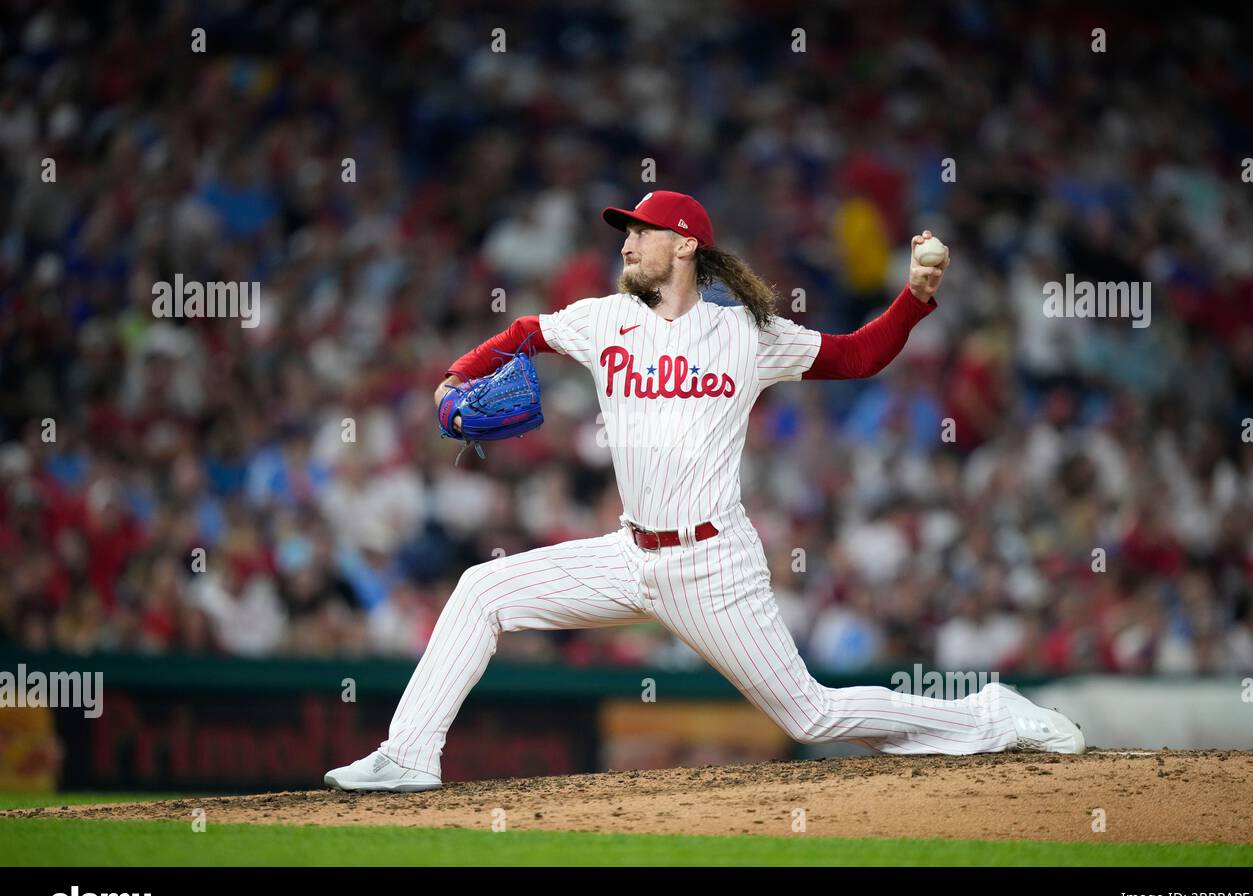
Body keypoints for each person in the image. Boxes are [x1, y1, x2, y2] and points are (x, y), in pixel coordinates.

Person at [325, 190, 1084, 792]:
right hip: (628, 555)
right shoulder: (605, 320)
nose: (626, 242)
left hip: (713, 566)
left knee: (812, 715)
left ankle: (987, 715)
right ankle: (410, 754)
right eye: (624, 231)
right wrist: (457, 377)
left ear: (685, 243)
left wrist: (915, 298)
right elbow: (524, 331)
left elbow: (855, 357)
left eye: (642, 231)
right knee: (481, 590)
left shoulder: (745, 333)